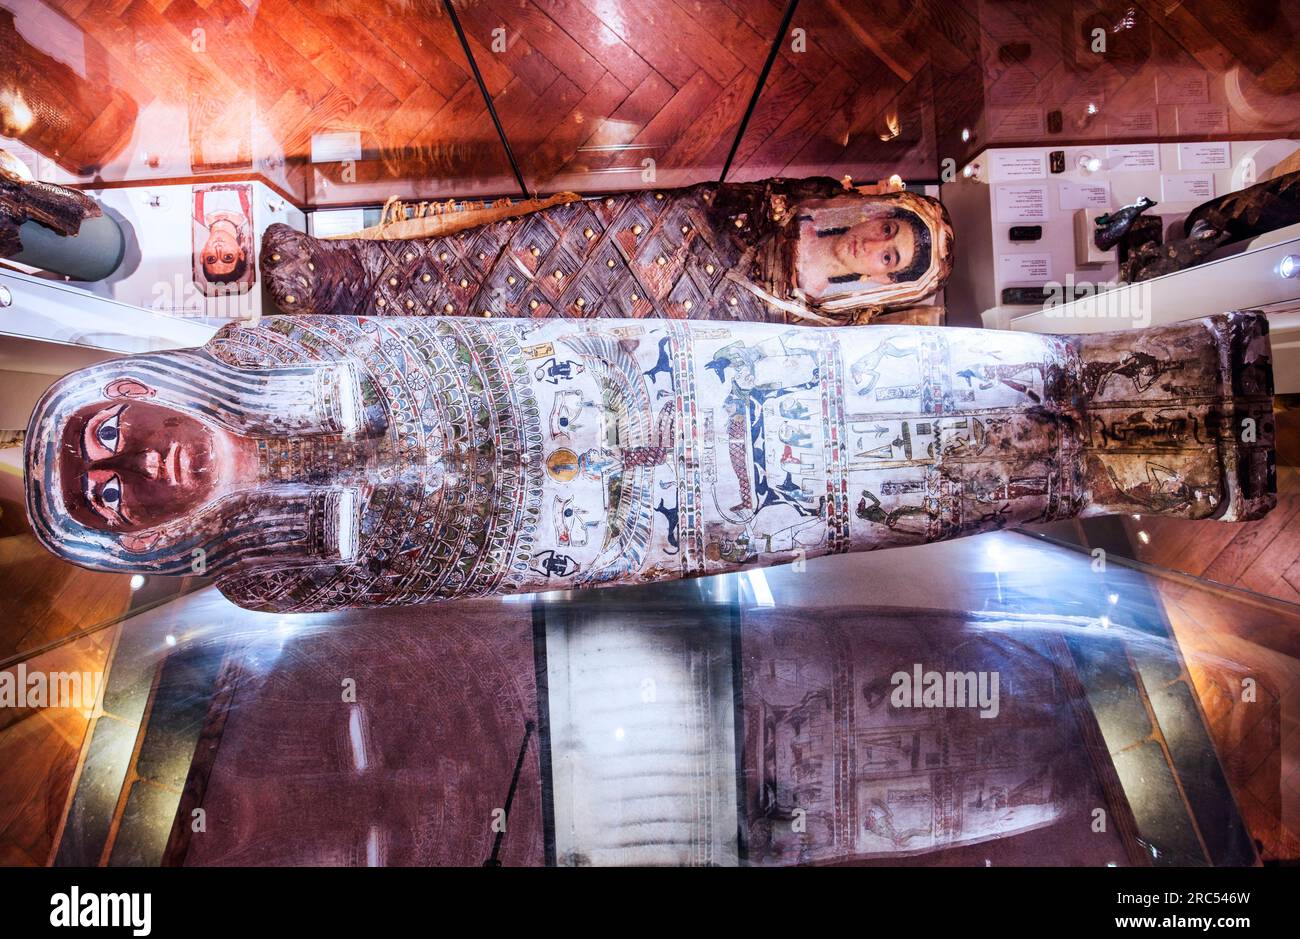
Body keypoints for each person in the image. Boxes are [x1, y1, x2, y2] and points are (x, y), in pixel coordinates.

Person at [25, 310, 1273, 612]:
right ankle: (1164, 469)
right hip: (621, 518)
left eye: (101, 439)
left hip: (622, 378)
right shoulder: (253, 571)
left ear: (126, 391)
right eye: (108, 498)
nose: (134, 466)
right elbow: (428, 560)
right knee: (908, 486)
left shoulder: (258, 345)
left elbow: (425, 365)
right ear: (131, 537)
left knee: (921, 383)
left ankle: (1174, 373)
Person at [259, 177, 953, 326]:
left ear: (881, 281)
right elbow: (728, 199)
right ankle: (353, 273)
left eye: (889, 259)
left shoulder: (822, 320)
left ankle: (360, 316)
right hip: (673, 233)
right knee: (520, 247)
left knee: (531, 325)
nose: (874, 244)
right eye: (888, 229)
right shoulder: (804, 203)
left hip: (706, 316)